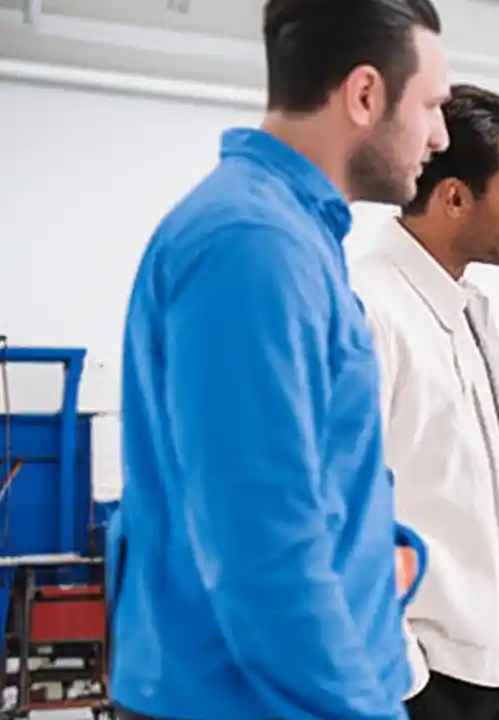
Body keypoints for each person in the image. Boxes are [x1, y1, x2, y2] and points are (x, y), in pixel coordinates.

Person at [108, 1, 450, 718]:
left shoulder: (290, 233)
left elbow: (300, 479)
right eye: (429, 106)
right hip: (257, 702)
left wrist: (377, 552)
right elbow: (262, 543)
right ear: (364, 95)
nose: (439, 135)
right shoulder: (254, 244)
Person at [349, 83, 499, 720]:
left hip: (495, 661)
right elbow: (338, 516)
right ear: (455, 198)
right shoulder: (367, 309)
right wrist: (406, 678)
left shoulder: (463, 307)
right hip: (426, 678)